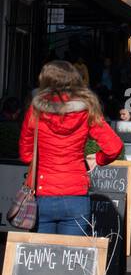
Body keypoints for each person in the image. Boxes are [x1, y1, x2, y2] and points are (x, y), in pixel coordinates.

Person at [18, 60, 123, 235]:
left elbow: (26, 155)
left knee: (43, 259)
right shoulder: (86, 109)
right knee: (71, 260)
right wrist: (97, 159)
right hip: (76, 194)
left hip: (43, 194)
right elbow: (114, 147)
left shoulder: (35, 110)